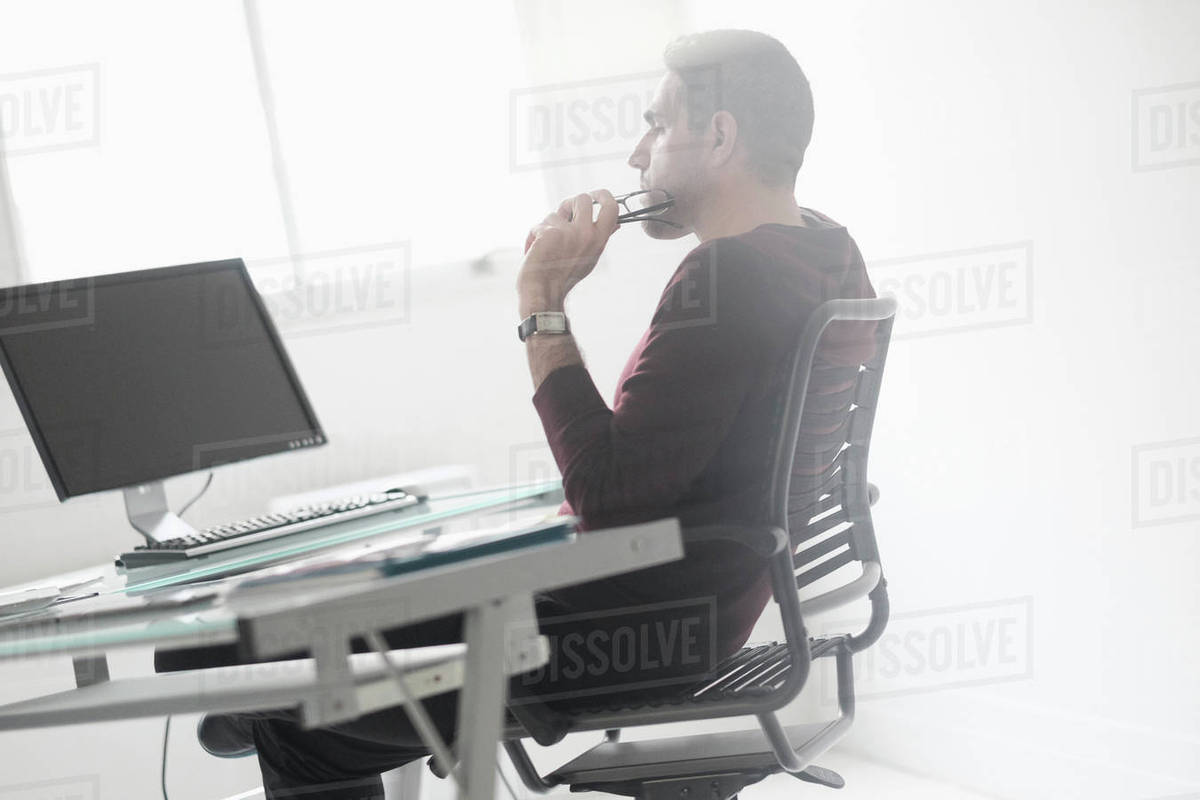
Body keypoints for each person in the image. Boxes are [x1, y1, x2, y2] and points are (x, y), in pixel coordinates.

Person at [155, 29, 877, 799]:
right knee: (279, 661)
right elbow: (673, 469)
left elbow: (604, 493)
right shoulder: (826, 251)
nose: (638, 154)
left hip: (624, 633)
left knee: (283, 701)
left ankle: (260, 703)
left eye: (657, 126)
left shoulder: (731, 273)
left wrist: (541, 303)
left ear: (721, 134)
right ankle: (256, 699)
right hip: (693, 606)